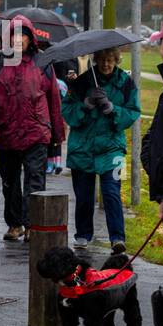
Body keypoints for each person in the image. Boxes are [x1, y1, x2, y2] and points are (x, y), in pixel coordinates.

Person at [0, 15, 63, 243]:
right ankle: (15, 223)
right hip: (7, 133)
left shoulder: (42, 62)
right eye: (15, 35)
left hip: (36, 132)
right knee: (10, 182)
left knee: (35, 180)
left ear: (30, 38)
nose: (19, 40)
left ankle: (32, 224)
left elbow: (53, 97)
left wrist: (57, 133)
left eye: (23, 35)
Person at [63, 46, 140, 250]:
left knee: (112, 192)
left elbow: (133, 112)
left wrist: (113, 109)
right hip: (83, 149)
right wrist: (85, 105)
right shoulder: (82, 82)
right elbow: (68, 111)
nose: (106, 64)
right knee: (84, 196)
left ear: (116, 60)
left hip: (113, 149)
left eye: (110, 60)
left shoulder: (125, 82)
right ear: (96, 60)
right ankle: (83, 234)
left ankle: (117, 237)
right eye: (103, 60)